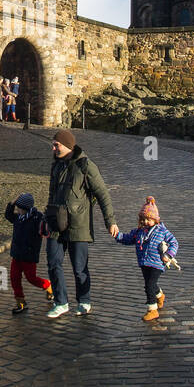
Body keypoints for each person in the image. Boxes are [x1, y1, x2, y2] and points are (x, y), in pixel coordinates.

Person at [44, 129, 119, 318]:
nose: (53, 148)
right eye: (53, 145)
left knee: (79, 268)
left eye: (56, 145)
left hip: (79, 223)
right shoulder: (56, 166)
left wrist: (110, 221)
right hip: (55, 222)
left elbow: (102, 194)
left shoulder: (86, 166)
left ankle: (84, 301)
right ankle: (61, 302)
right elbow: (51, 195)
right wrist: (45, 219)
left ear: (67, 145)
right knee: (53, 263)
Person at [114, 196, 179, 322]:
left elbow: (174, 243)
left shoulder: (162, 231)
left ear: (155, 219)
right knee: (150, 284)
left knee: (149, 284)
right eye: (143, 219)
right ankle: (160, 295)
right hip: (144, 262)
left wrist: (168, 255)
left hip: (157, 262)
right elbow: (128, 238)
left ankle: (152, 309)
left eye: (148, 219)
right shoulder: (139, 231)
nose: (145, 222)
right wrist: (117, 235)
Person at [4, 193, 53, 313]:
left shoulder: (37, 218)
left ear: (25, 208)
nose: (17, 210)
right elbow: (8, 215)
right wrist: (13, 201)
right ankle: (20, 302)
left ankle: (48, 285)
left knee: (31, 278)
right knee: (14, 278)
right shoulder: (17, 218)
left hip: (29, 255)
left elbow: (45, 229)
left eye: (19, 208)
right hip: (16, 254)